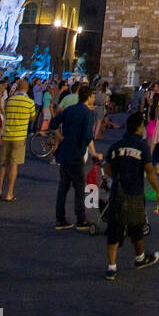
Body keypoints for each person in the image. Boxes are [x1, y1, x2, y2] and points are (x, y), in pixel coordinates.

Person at [103, 110, 159, 280]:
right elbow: (149, 171)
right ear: (138, 128)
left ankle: (111, 266)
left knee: (114, 229)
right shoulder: (142, 147)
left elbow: (107, 168)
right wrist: (158, 190)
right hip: (135, 192)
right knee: (136, 227)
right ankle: (140, 257)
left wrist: (116, 175)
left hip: (118, 191)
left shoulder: (116, 146)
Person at [52, 84, 101, 230]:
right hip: (75, 153)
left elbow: (54, 123)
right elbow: (87, 136)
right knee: (79, 187)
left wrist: (61, 137)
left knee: (63, 187)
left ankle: (60, 218)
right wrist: (94, 153)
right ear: (89, 97)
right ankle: (81, 219)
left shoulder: (70, 109)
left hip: (64, 152)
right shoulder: (87, 113)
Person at [0, 76, 36, 202]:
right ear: (27, 89)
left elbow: (5, 113)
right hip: (19, 136)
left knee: (4, 164)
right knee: (14, 164)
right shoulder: (30, 103)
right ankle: (9, 193)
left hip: (7, 134)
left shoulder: (10, 100)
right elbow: (32, 118)